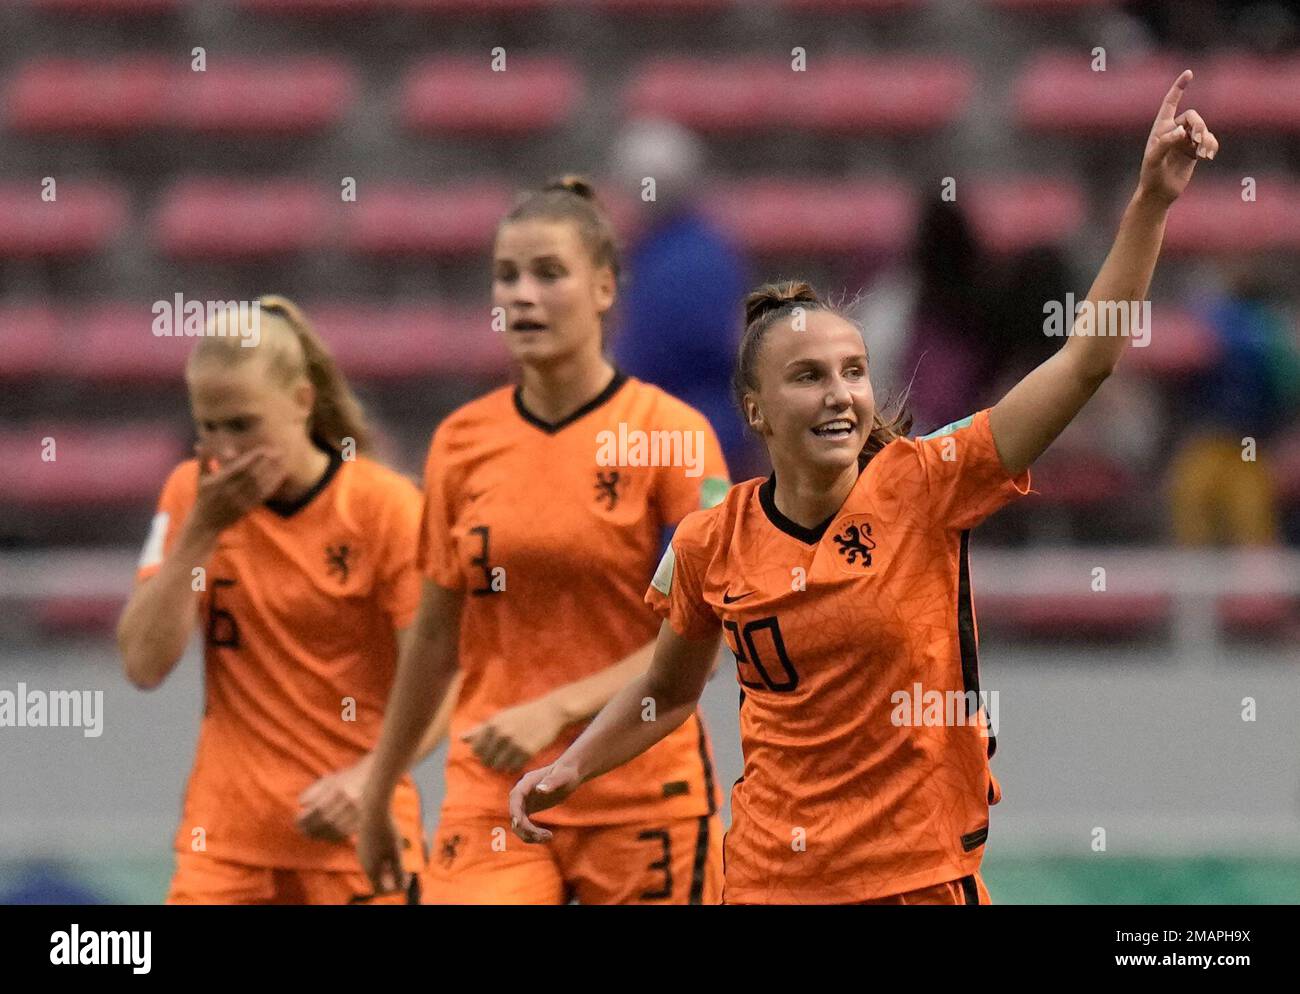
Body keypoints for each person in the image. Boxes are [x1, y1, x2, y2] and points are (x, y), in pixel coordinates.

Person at [510, 72, 1219, 904]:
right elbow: (667, 693)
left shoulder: (930, 484)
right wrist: (568, 769)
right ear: (757, 410)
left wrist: (1150, 205)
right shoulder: (711, 539)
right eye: (808, 376)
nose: (840, 393)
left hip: (917, 880)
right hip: (772, 883)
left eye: (853, 371)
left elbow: (1087, 359)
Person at [359, 176, 732, 904]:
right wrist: (380, 784)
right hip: (490, 791)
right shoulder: (460, 445)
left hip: (638, 790)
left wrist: (558, 708)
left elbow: (701, 643)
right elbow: (434, 642)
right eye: (507, 276)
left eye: (548, 274)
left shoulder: (674, 437)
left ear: (603, 288)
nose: (521, 295)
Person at [117, 297, 446, 904]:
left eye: (242, 425)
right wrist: (200, 534)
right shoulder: (194, 497)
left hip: (356, 838)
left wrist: (371, 779)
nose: (222, 450)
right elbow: (142, 664)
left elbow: (442, 680)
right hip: (225, 846)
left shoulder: (384, 508)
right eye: (207, 429)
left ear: (300, 402)